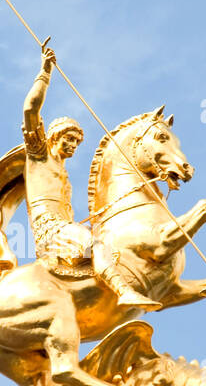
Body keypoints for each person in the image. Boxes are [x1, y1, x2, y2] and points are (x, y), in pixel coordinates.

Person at [22, 47, 159, 310]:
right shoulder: (39, 155)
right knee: (95, 243)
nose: (73, 145)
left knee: (111, 245)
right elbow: (30, 109)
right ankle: (123, 292)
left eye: (77, 142)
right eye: (69, 139)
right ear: (53, 136)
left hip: (65, 225)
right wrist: (45, 73)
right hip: (50, 230)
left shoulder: (63, 173)